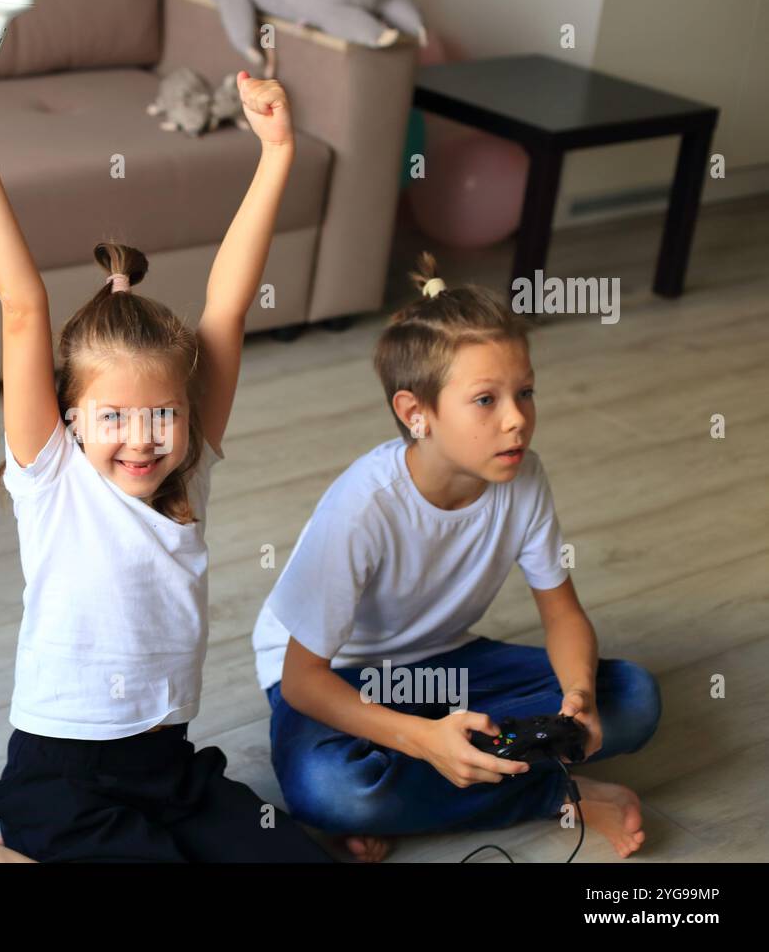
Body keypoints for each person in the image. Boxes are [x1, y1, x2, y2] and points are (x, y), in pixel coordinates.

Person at [0, 47, 333, 863]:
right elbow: (22, 306)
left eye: (163, 414)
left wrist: (275, 154)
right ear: (69, 416)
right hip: (63, 782)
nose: (142, 437)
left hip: (168, 768)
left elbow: (229, 304)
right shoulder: (53, 475)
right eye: (112, 417)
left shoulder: (189, 467)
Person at [253, 254, 663, 859]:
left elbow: (562, 614)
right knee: (329, 789)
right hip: (340, 675)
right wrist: (423, 739)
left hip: (446, 661)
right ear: (416, 414)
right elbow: (301, 682)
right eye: (486, 400)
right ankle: (551, 792)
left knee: (631, 697)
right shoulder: (364, 508)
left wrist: (578, 695)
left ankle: (419, 781)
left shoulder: (524, 478)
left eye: (524, 392)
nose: (517, 420)